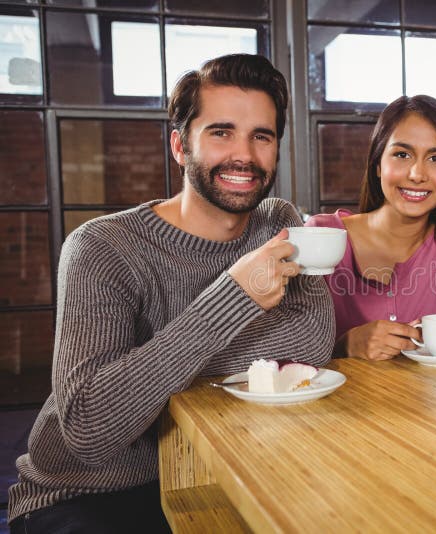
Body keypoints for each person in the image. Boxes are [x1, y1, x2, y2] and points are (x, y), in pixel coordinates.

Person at [7, 54, 335, 533]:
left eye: (261, 136)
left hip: (227, 470)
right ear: (181, 146)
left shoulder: (275, 220)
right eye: (221, 132)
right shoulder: (101, 247)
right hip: (89, 491)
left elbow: (310, 343)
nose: (243, 155)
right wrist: (234, 299)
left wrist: (149, 372)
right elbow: (89, 429)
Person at [306, 95, 436, 360]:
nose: (417, 174)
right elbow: (293, 342)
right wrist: (345, 345)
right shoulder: (322, 233)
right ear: (378, 164)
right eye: (402, 154)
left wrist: (421, 332)